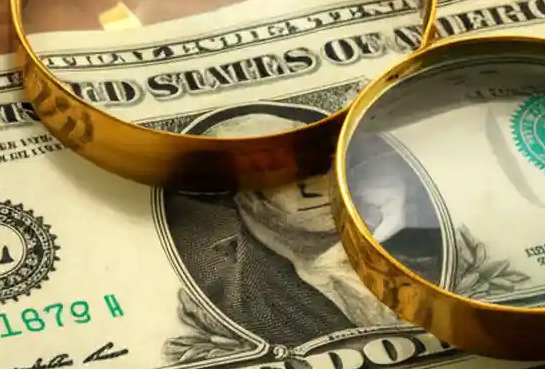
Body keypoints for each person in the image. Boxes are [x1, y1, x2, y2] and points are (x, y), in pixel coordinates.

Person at [162, 102, 444, 347]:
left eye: (315, 164)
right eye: (275, 175)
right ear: (238, 196)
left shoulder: (431, 252)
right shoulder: (226, 302)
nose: (314, 188)